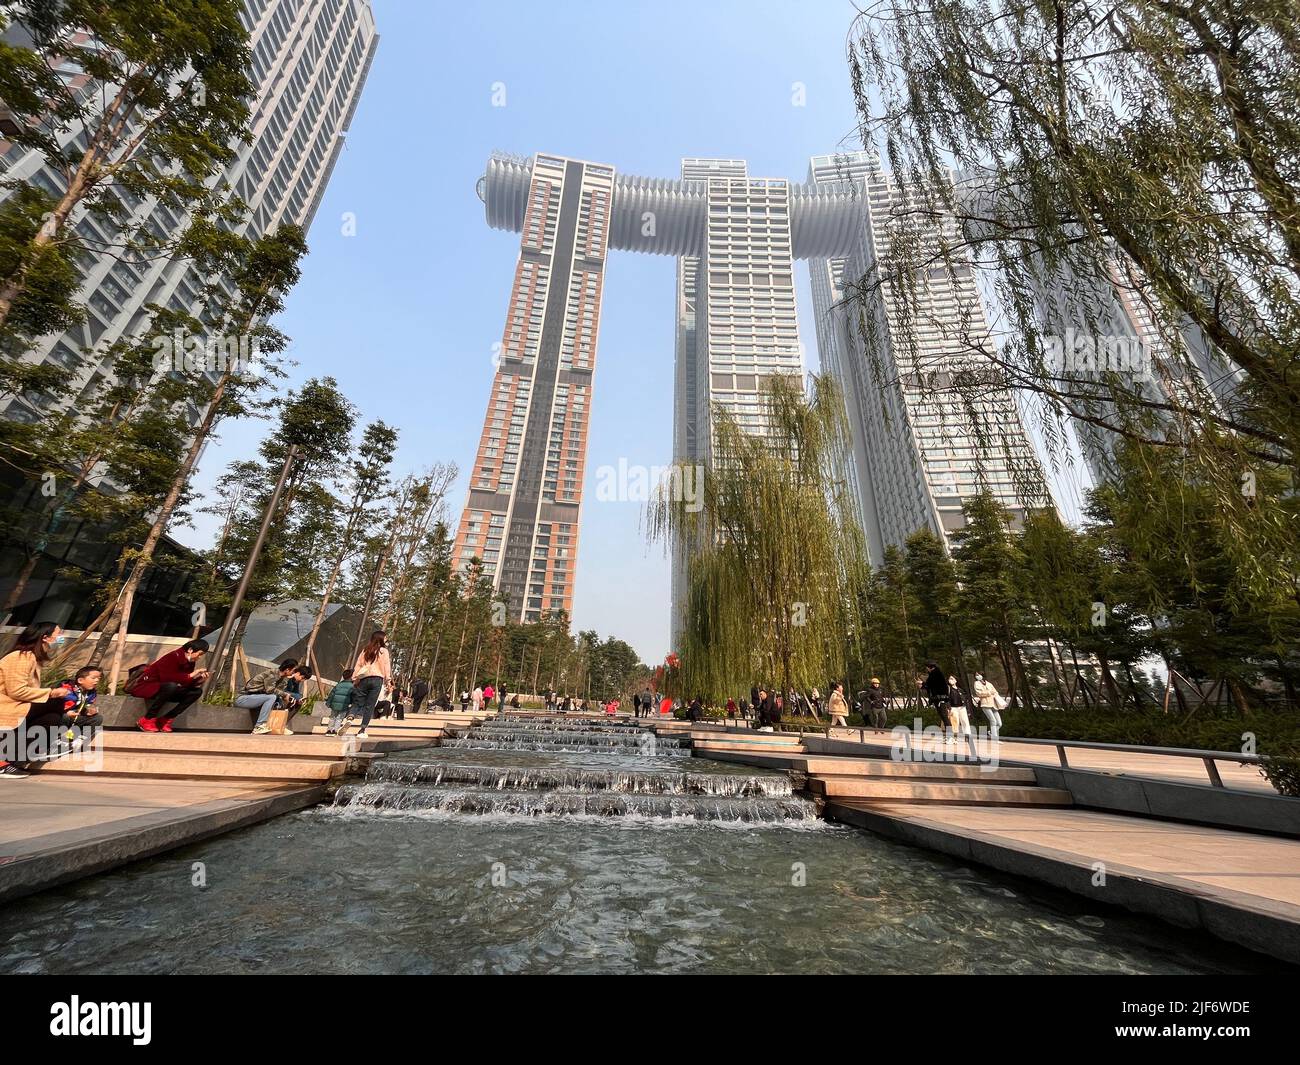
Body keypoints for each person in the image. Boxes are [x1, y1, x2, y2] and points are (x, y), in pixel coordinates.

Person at [0, 623, 74, 777]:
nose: (61, 637)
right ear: (45, 638)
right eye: (59, 633)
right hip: (7, 706)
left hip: (17, 705)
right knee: (55, 703)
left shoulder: (33, 658)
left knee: (51, 718)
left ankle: (11, 761)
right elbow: (16, 691)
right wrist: (51, 692)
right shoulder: (21, 656)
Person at [131, 639, 211, 732]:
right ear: (190, 650)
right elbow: (167, 677)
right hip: (146, 687)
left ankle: (166, 719)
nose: (200, 657)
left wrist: (199, 679)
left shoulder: (190, 662)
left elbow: (185, 682)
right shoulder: (172, 657)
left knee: (196, 692)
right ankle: (147, 719)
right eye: (200, 654)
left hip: (166, 690)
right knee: (171, 686)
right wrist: (191, 675)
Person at [236, 659, 310, 735]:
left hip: (257, 698)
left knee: (284, 701)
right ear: (287, 670)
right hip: (243, 698)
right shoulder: (272, 674)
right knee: (271, 697)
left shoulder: (283, 679)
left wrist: (288, 699)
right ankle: (259, 726)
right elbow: (270, 690)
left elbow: (280, 693)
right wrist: (285, 695)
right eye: (293, 671)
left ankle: (280, 726)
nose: (294, 673)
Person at [343, 631, 391, 740]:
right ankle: (362, 730)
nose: (386, 640)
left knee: (357, 703)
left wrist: (355, 679)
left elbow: (358, 665)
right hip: (377, 680)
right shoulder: (383, 651)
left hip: (363, 679)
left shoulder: (365, 650)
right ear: (381, 638)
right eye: (385, 638)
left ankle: (350, 717)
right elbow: (386, 667)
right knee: (370, 706)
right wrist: (388, 681)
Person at [921, 662, 951, 735]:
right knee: (943, 717)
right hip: (940, 698)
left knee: (944, 716)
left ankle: (950, 735)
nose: (927, 670)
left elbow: (930, 685)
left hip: (940, 699)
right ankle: (949, 735)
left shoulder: (934, 674)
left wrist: (922, 684)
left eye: (927, 668)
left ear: (930, 667)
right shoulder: (937, 673)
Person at [324, 669, 355, 735]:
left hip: (334, 704)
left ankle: (329, 730)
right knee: (339, 718)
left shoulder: (338, 685)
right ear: (351, 677)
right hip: (344, 705)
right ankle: (335, 730)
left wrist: (328, 703)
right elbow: (352, 696)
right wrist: (351, 703)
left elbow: (331, 694)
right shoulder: (352, 686)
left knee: (332, 717)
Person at [972, 673, 1003, 738]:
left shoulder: (989, 684)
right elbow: (979, 693)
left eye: (978, 674)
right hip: (985, 704)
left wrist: (993, 694)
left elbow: (995, 692)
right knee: (993, 721)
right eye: (976, 675)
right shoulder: (976, 683)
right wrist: (989, 693)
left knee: (999, 724)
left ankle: (991, 732)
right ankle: (994, 737)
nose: (977, 676)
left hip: (993, 705)